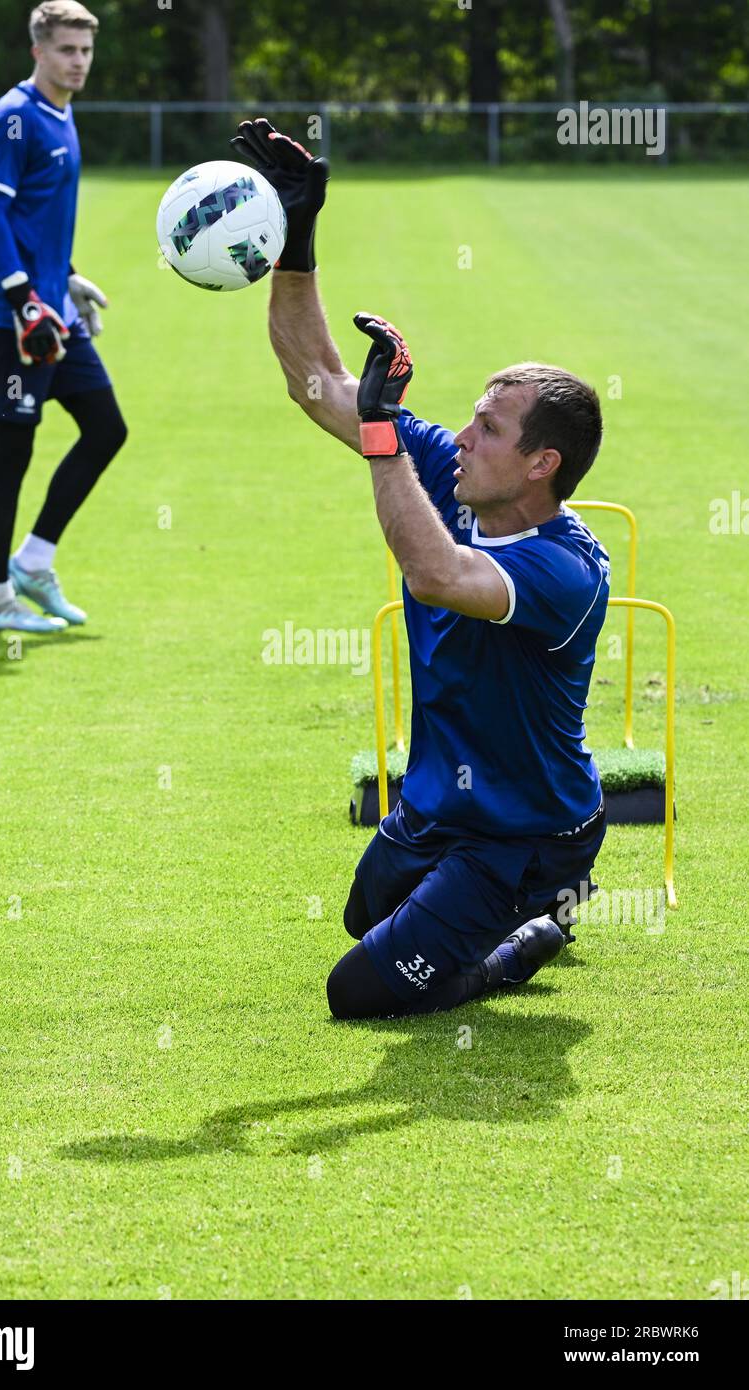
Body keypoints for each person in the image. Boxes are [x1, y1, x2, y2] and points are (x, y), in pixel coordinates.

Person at [231, 118, 611, 1020]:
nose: (463, 436)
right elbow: (316, 382)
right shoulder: (451, 475)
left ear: (541, 465)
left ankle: (529, 934)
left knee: (358, 991)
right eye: (472, 418)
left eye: (489, 428)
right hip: (439, 813)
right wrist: (296, 236)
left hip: (527, 834)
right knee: (367, 915)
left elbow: (438, 575)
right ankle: (487, 914)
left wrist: (378, 437)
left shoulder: (565, 572)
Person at [0, 1, 127, 633]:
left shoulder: (63, 114)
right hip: (15, 320)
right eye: (66, 49)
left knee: (105, 429)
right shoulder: (15, 119)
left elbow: (40, 221)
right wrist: (23, 300)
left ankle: (34, 563)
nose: (79, 61)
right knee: (11, 454)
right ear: (38, 50)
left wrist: (67, 278)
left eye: (86, 50)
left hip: (52, 309)